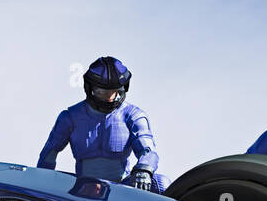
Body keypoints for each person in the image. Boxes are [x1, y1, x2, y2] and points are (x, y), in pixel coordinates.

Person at [37, 57, 169, 192]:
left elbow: (147, 151)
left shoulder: (133, 116)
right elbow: (49, 153)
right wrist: (41, 184)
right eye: (102, 92)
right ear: (89, 88)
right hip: (81, 186)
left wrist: (144, 170)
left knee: (161, 184)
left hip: (122, 187)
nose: (109, 98)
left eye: (115, 92)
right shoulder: (70, 117)